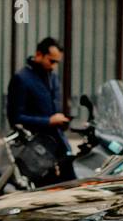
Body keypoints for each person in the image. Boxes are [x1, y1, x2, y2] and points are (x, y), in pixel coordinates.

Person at [6, 36, 74, 184]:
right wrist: (48, 121)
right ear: (39, 55)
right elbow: (15, 118)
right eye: (51, 61)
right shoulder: (21, 78)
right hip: (36, 151)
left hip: (57, 145)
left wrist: (62, 121)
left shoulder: (53, 77)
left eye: (57, 62)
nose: (54, 66)